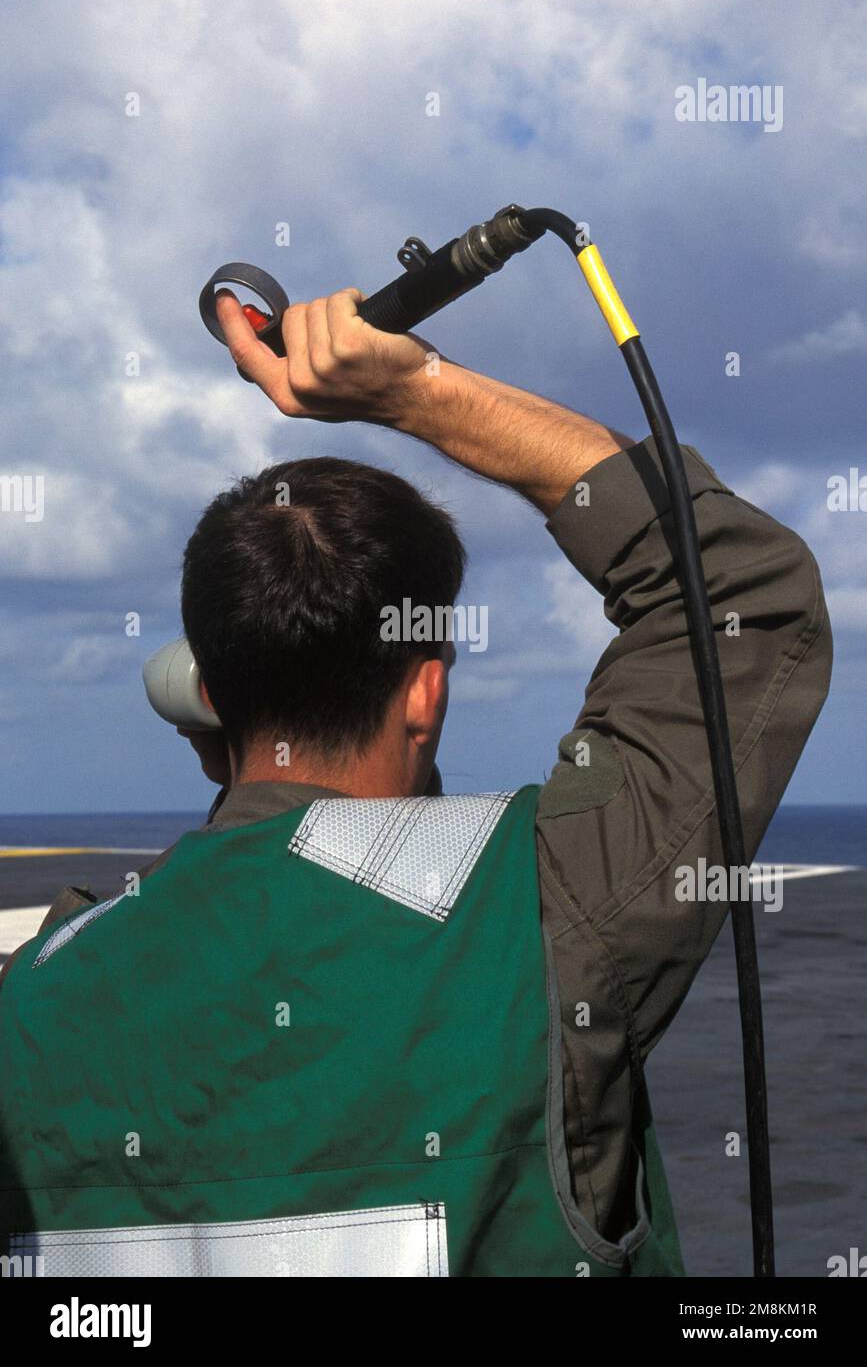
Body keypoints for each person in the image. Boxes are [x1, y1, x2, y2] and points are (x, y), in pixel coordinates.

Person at [0, 288, 831, 1277]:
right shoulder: (540, 905)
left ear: (210, 696)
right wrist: (414, 388)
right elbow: (742, 589)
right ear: (426, 688)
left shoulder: (37, 998)